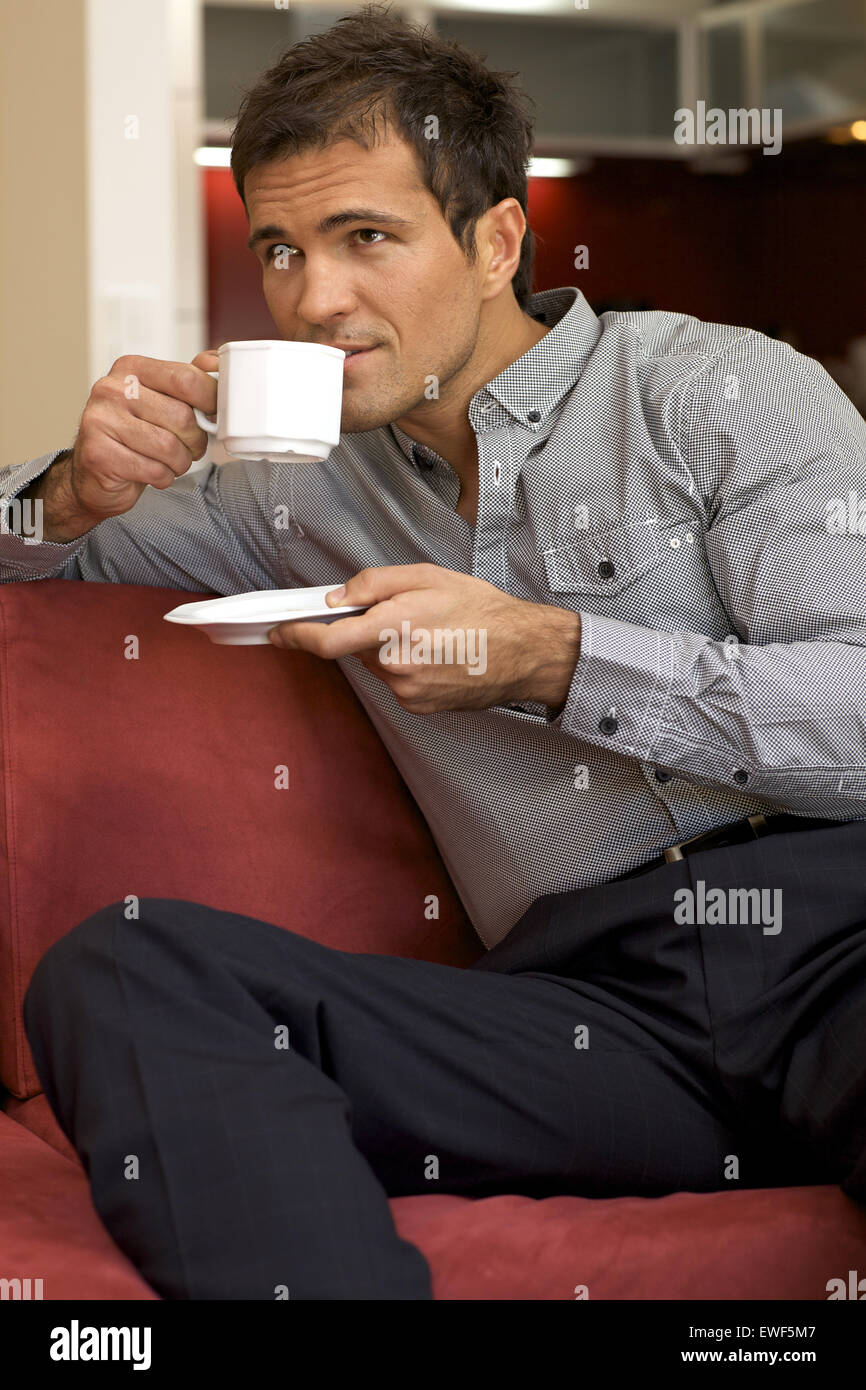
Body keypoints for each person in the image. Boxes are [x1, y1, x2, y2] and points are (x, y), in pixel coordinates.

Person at [3, 4, 866, 1301]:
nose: (312, 295)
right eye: (282, 247)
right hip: (597, 1020)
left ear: (493, 239)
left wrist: (557, 658)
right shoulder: (285, 497)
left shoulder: (715, 392)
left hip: (835, 940)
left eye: (365, 237)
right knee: (125, 965)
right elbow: (28, 548)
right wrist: (67, 492)